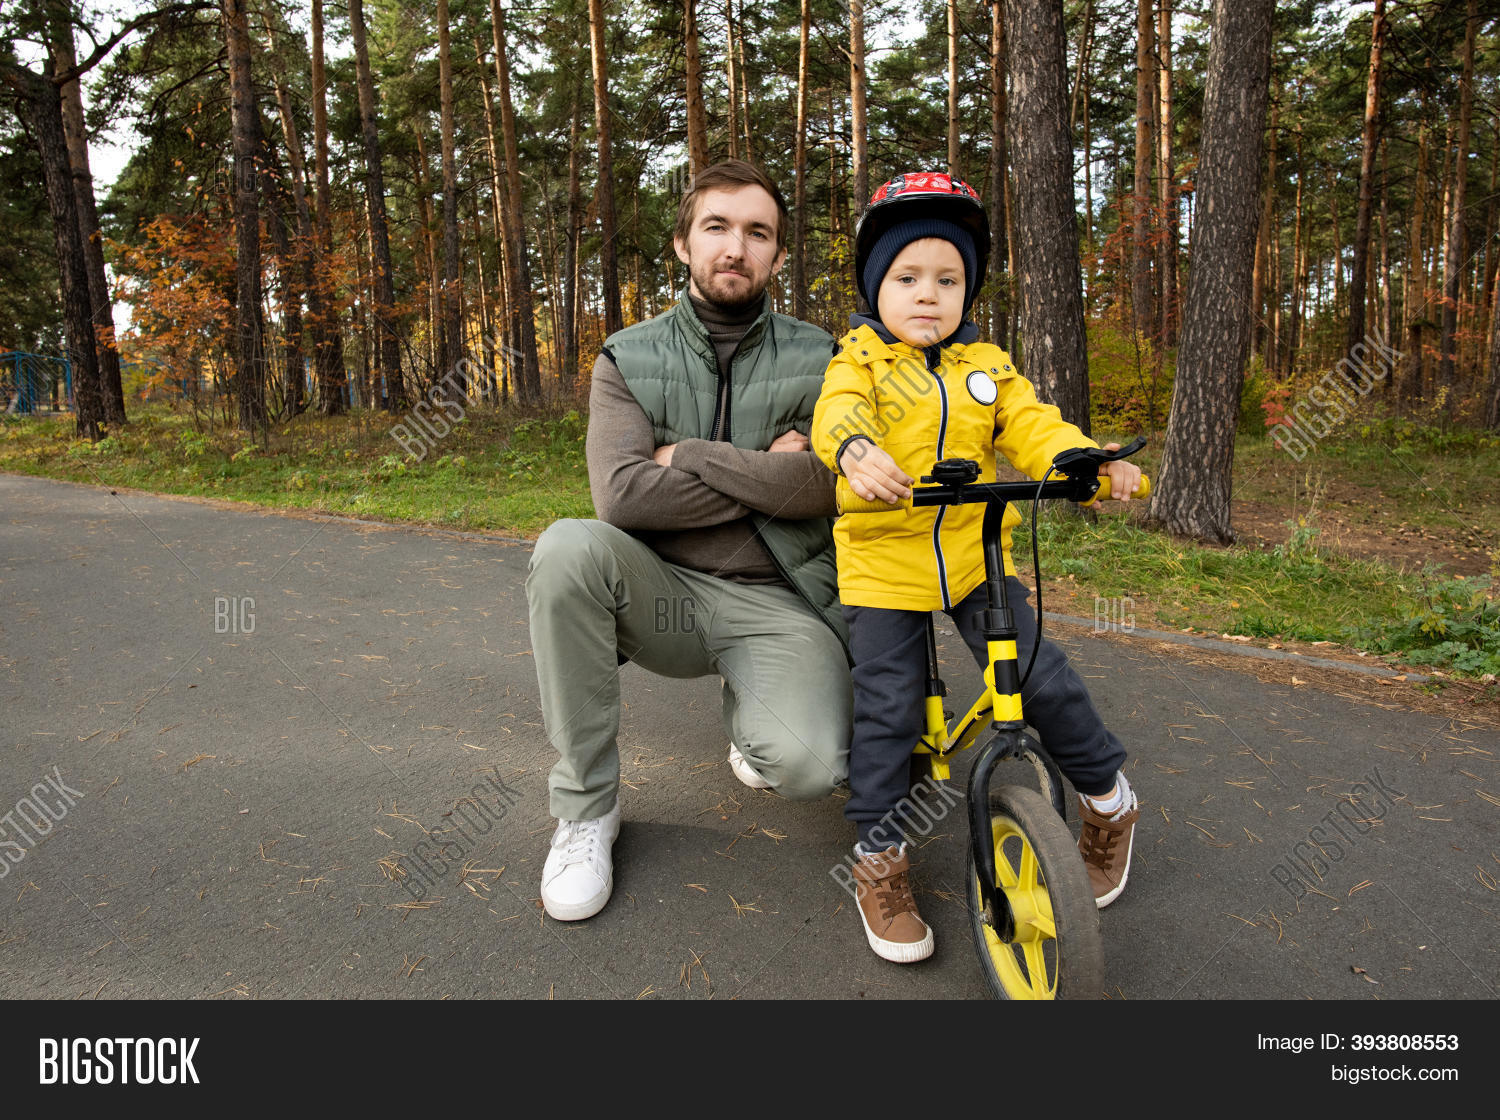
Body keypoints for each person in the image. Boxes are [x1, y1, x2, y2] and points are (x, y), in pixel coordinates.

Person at [810, 171, 1143, 964]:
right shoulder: (857, 358)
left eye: (948, 278)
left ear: (968, 289)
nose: (928, 294)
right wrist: (857, 452)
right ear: (875, 285)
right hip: (883, 565)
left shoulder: (984, 364)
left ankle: (1109, 800)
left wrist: (1080, 461)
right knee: (888, 711)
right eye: (907, 277)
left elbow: (1032, 423)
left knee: (1037, 672)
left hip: (972, 554)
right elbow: (837, 414)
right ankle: (881, 858)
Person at [526, 160, 852, 922]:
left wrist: (694, 457)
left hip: (780, 600)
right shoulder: (627, 356)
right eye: (718, 227)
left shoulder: (826, 356)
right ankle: (587, 809)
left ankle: (754, 721)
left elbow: (827, 486)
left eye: (757, 232)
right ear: (683, 244)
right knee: (570, 546)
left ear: (775, 254)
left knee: (809, 767)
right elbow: (624, 496)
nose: (736, 247)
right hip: (660, 595)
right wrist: (766, 474)